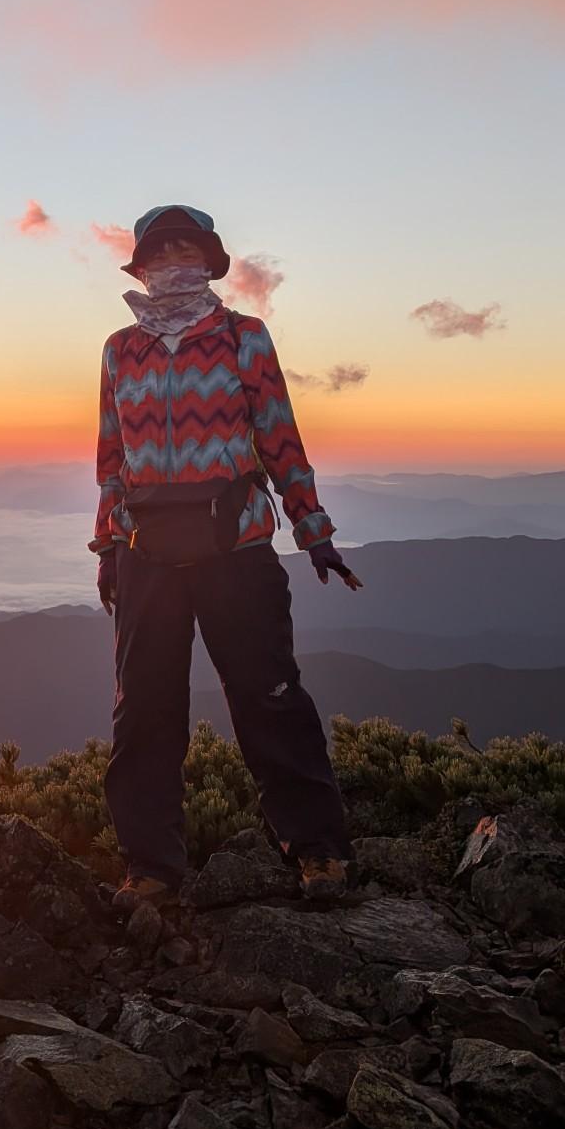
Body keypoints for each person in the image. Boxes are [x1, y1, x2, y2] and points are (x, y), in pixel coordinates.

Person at [90, 203, 364, 909]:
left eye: (186, 246)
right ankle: (150, 867)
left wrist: (313, 529)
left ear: (209, 260)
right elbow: (112, 458)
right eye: (161, 248)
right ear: (142, 265)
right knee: (144, 710)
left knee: (269, 697)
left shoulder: (244, 338)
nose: (173, 258)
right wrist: (106, 546)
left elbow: (278, 438)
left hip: (237, 547)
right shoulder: (120, 350)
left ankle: (317, 850)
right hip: (146, 551)